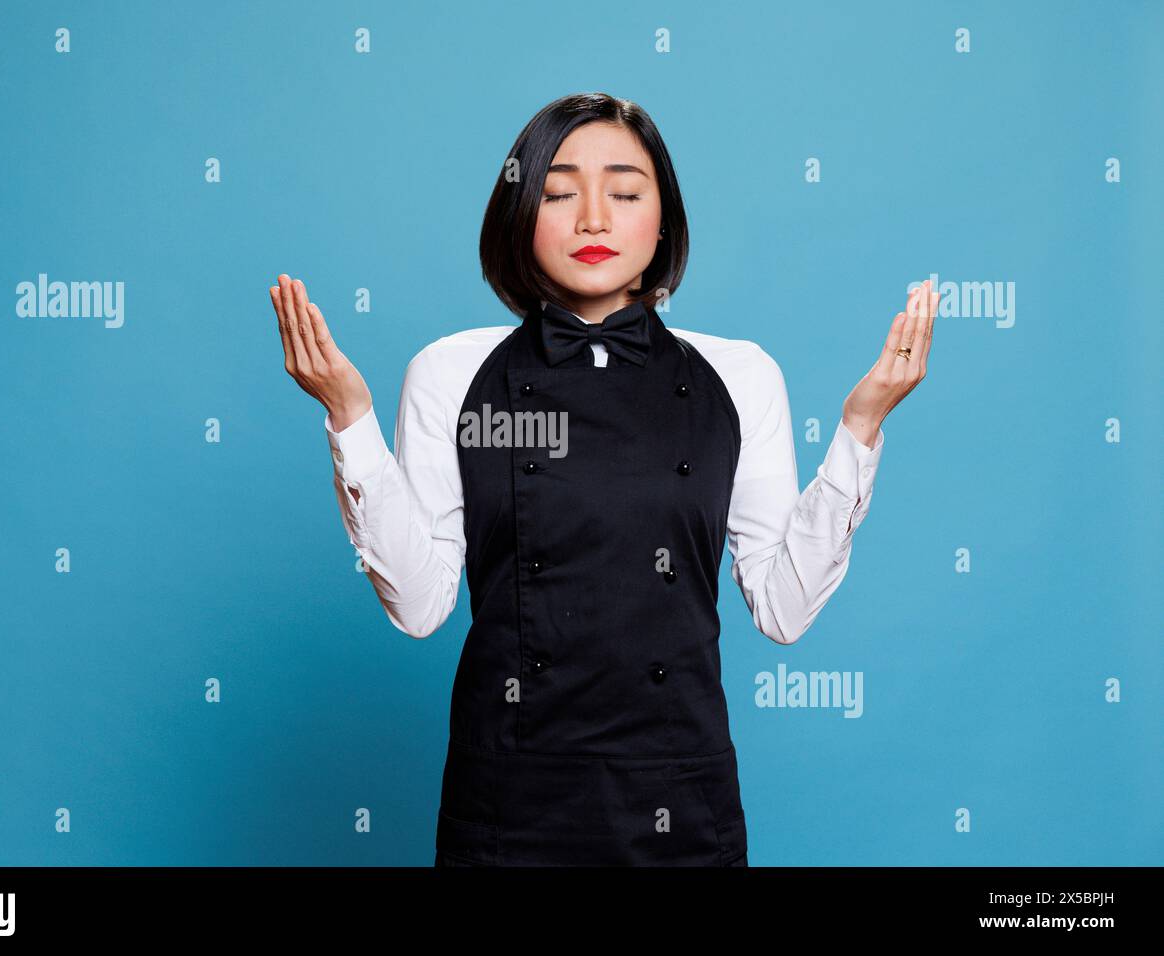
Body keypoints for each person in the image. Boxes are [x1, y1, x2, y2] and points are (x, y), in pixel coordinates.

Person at [268, 93, 938, 866]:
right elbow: (420, 609)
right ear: (520, 215)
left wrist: (860, 428)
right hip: (508, 802)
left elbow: (784, 609)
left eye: (624, 193)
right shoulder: (451, 372)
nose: (593, 219)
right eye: (557, 193)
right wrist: (350, 419)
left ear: (663, 221)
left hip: (682, 797)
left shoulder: (741, 374)